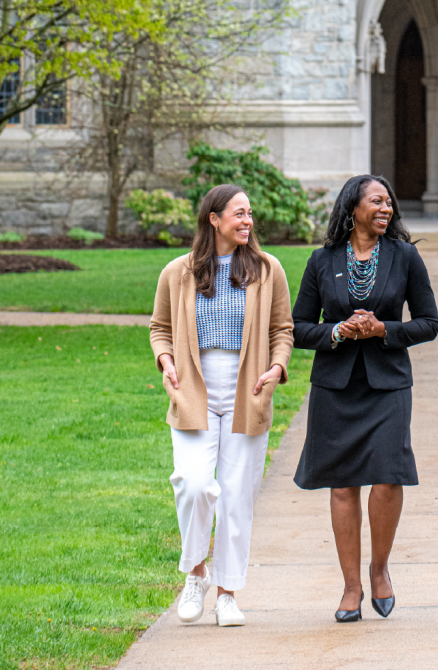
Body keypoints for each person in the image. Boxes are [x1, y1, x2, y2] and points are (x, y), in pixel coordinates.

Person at [292, 175, 438, 623]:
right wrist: (337, 331)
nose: (386, 208)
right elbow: (299, 327)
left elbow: (429, 322)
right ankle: (351, 586)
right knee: (342, 484)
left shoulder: (404, 256)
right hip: (336, 387)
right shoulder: (322, 261)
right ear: (352, 208)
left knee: (389, 478)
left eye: (389, 202)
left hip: (387, 383)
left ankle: (379, 570)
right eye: (376, 201)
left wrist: (382, 330)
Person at [149, 184, 294, 627]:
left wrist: (277, 368)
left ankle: (228, 594)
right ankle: (196, 574)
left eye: (250, 214)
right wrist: (166, 361)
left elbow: (282, 329)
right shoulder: (178, 272)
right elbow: (160, 327)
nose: (247, 221)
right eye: (239, 213)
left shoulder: (267, 269)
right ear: (214, 219)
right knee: (193, 484)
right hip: (194, 391)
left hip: (247, 393)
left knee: (235, 497)